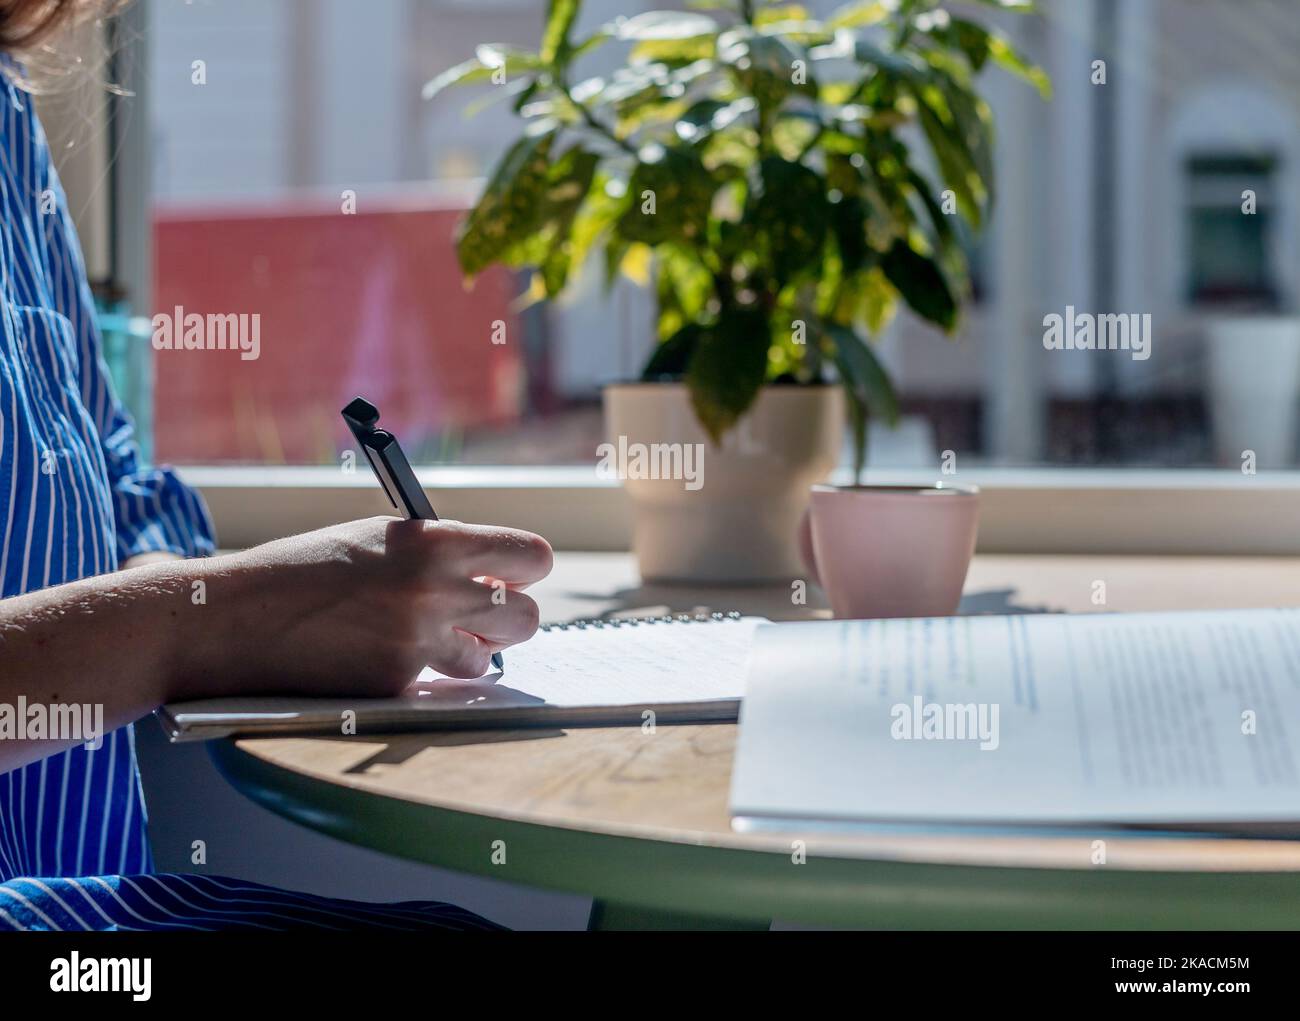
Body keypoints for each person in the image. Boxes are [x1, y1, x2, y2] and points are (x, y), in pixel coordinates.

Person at [0, 0, 551, 930]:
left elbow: (115, 477)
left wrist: (254, 605)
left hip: (85, 889)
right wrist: (208, 625)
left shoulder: (9, 114)